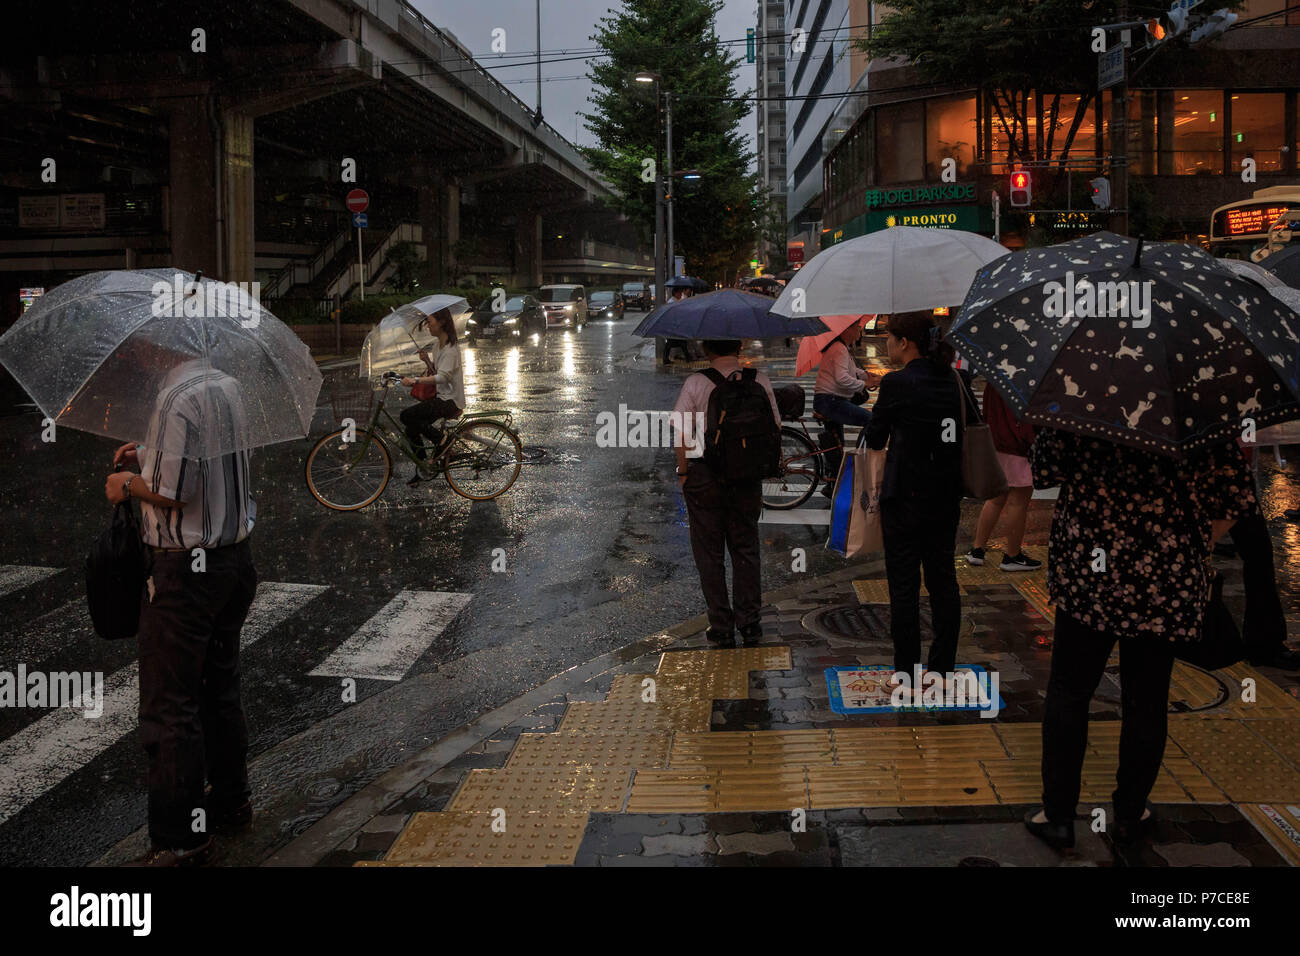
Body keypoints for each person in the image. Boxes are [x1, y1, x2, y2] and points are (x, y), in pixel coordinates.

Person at [1023, 430, 1256, 853]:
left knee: (1069, 692)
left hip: (1087, 576)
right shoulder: (1198, 412)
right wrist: (1195, 542)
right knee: (1147, 699)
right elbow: (1236, 496)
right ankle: (1130, 815)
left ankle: (1057, 816)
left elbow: (1042, 471)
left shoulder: (1083, 401)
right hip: (1164, 579)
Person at [105, 360, 257, 866]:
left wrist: (127, 483)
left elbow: (174, 491)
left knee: (171, 709)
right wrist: (150, 454)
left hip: (185, 573)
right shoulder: (225, 384)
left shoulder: (174, 398)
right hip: (232, 561)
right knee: (219, 691)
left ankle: (179, 842)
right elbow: (208, 462)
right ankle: (231, 803)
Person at [864, 311, 976, 680]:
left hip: (905, 500)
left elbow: (876, 438)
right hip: (946, 496)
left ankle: (908, 671)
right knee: (943, 581)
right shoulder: (956, 379)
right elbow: (970, 425)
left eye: (889, 337)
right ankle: (942, 666)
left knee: (904, 586)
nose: (885, 344)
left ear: (905, 342)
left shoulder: (898, 384)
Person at [672, 339, 781, 647]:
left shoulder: (696, 382)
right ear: (740, 347)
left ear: (707, 349)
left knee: (709, 553)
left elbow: (681, 432)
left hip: (705, 476)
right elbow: (775, 426)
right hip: (746, 477)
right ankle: (750, 623)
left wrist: (683, 472)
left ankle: (721, 625)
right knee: (746, 548)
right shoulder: (758, 380)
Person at [1219, 439, 1300, 670]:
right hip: (1216, 468)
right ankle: (1262, 644)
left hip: (1222, 467)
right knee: (1257, 554)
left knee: (1258, 553)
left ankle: (1264, 643)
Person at [964, 385, 1042, 571]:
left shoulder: (995, 378)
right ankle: (1013, 555)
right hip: (1018, 447)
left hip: (996, 444)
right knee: (1018, 502)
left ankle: (977, 550)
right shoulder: (1026, 380)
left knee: (995, 499)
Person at [812, 317, 881, 493]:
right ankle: (860, 459)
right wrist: (863, 384)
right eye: (857, 328)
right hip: (830, 401)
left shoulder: (842, 348)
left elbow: (851, 371)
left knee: (837, 443)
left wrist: (866, 375)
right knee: (870, 419)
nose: (860, 331)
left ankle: (833, 483)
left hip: (829, 400)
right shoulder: (839, 349)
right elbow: (842, 379)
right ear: (846, 330)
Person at [400, 308, 465, 486]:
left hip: (449, 401)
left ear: (442, 322)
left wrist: (415, 380)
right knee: (410, 429)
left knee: (406, 416)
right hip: (441, 397)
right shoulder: (438, 346)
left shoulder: (451, 349)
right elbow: (438, 372)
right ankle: (423, 469)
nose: (428, 325)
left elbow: (444, 377)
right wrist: (427, 361)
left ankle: (444, 441)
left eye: (430, 321)